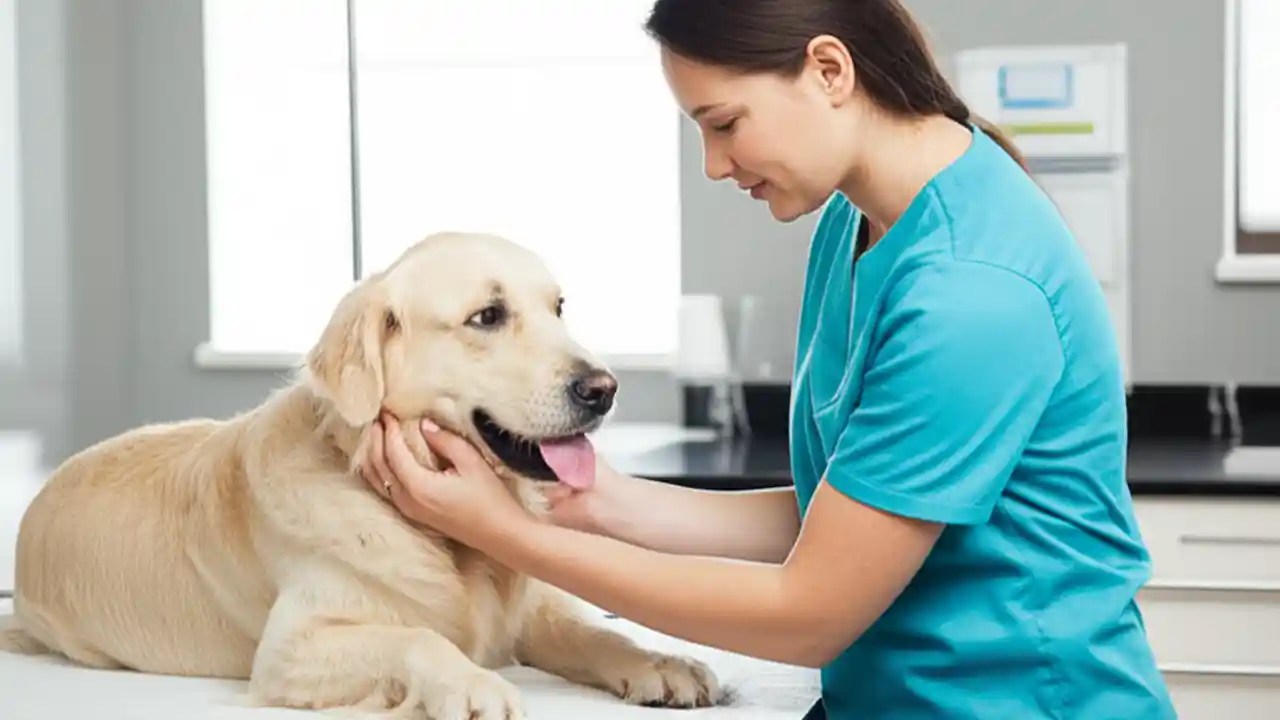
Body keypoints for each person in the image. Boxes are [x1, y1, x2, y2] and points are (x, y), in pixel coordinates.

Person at [360, 1, 1177, 717]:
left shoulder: (972, 291)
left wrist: (508, 536)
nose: (716, 165)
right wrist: (599, 500)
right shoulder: (854, 223)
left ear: (829, 69)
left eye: (724, 124)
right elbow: (847, 515)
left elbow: (811, 609)